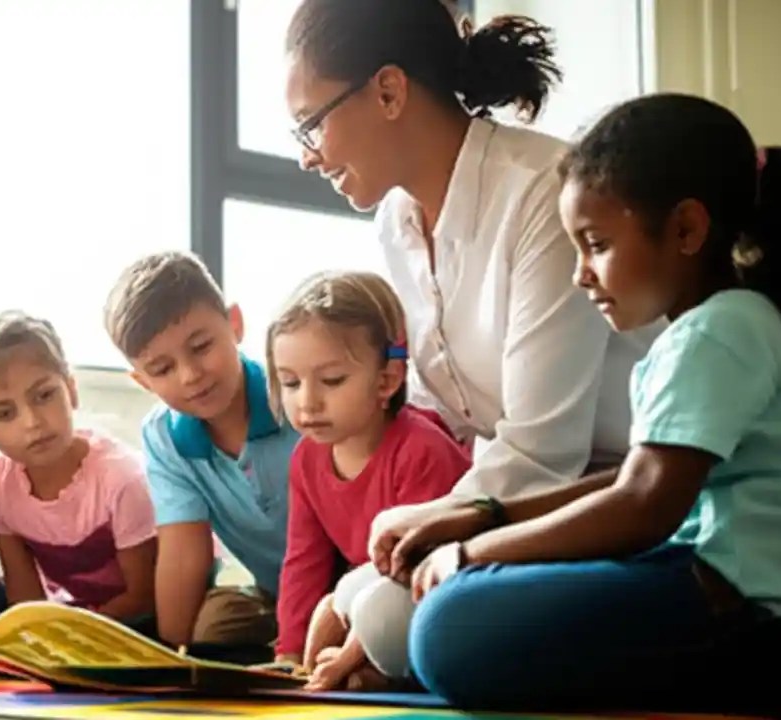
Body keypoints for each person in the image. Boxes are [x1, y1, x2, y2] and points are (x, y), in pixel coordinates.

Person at [380, 94, 781, 716]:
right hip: (699, 583)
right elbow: (633, 480)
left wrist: (474, 551)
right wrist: (486, 515)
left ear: (686, 229)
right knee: (454, 609)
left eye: (596, 244)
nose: (580, 274)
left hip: (744, 612)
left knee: (450, 626)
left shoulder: (723, 329)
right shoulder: (707, 330)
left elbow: (642, 506)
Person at [281, 0, 660, 673]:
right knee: (396, 614)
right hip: (521, 506)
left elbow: (543, 453)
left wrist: (368, 590)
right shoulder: (395, 221)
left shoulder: (544, 193)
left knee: (424, 624)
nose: (308, 156)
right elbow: (450, 429)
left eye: (312, 123)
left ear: (389, 90)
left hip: (624, 498)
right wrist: (366, 583)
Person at [267, 271, 469, 690]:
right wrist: (286, 654)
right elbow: (304, 560)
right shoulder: (306, 458)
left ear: (387, 380)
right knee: (337, 601)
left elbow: (415, 570)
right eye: (290, 382)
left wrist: (347, 654)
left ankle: (366, 669)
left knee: (373, 611)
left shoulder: (422, 449)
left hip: (437, 585)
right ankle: (340, 669)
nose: (307, 402)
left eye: (332, 381)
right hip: (371, 587)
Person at [103, 250, 299, 662]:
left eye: (202, 346)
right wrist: (175, 654)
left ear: (235, 324)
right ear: (142, 381)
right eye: (162, 369)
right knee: (214, 628)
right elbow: (182, 554)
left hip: (352, 577)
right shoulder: (164, 437)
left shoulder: (298, 394)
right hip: (277, 595)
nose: (190, 375)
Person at [0, 311, 158, 633]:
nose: (32, 422)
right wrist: (38, 636)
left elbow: (143, 595)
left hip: (141, 614)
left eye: (44, 396)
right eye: (5, 413)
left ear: (71, 390)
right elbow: (24, 592)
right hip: (75, 610)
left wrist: (68, 635)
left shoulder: (120, 477)